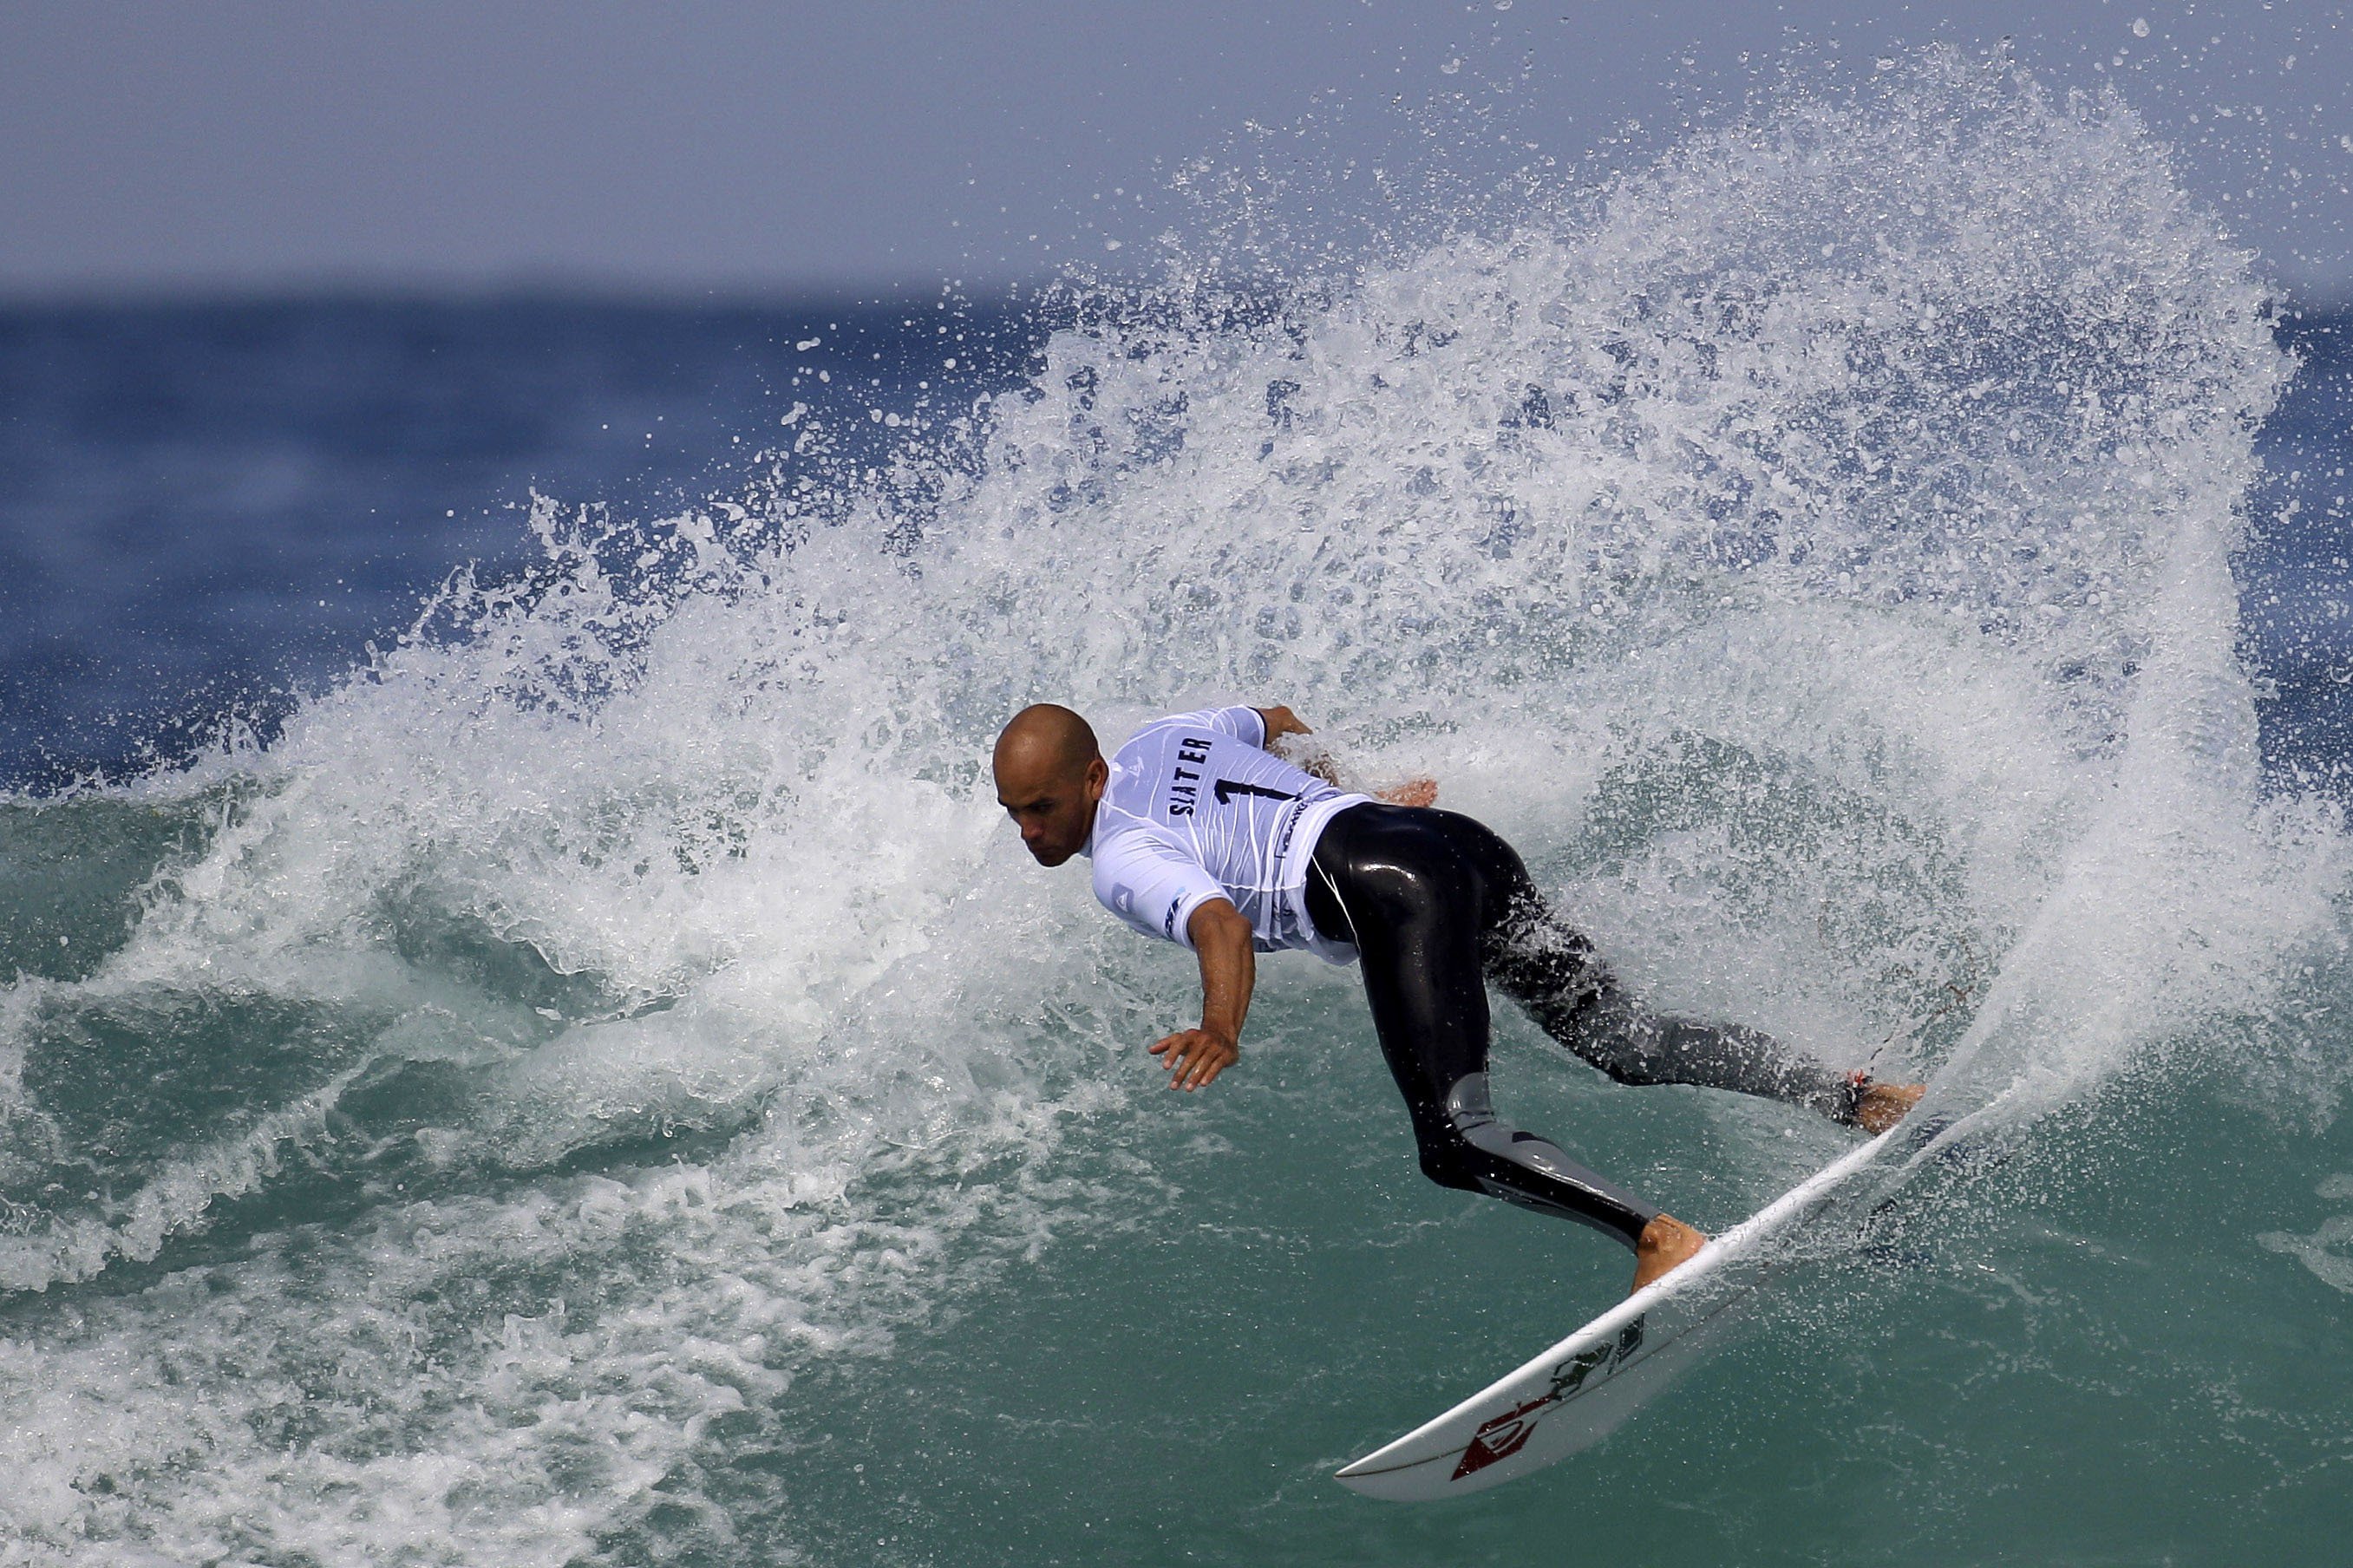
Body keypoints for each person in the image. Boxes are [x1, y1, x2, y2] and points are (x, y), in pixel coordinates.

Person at [991, 701, 1924, 1292]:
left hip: (1392, 889)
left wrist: (1219, 1026)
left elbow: (1221, 926)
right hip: (1442, 838)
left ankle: (1657, 1237)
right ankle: (1869, 1100)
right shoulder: (1166, 735)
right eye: (1016, 813)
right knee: (1620, 1038)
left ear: (1093, 775)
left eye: (1044, 805)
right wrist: (1354, 792)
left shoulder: (1118, 857)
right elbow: (1270, 718)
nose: (1034, 830)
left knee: (1454, 1138)